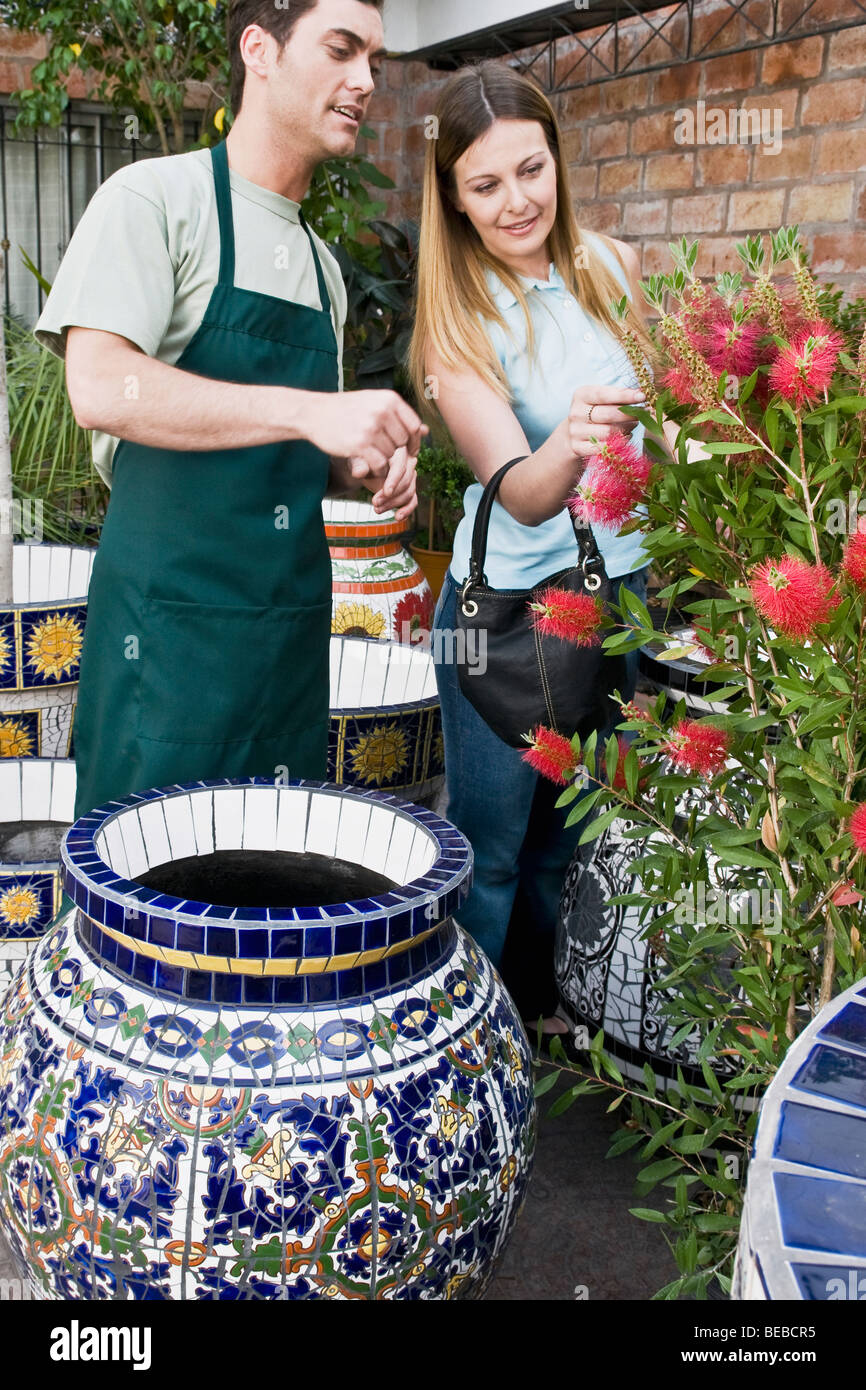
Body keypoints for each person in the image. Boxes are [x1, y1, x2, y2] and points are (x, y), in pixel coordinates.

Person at [36, 0, 423, 821]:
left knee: (265, 899)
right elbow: (102, 388)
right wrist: (308, 411)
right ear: (261, 49)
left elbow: (287, 445)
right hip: (166, 649)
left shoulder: (321, 268)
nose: (364, 82)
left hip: (282, 651)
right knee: (149, 904)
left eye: (376, 63)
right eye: (342, 50)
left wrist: (363, 464)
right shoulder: (153, 200)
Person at [408, 61, 659, 1033]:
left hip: (619, 597)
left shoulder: (607, 264)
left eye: (529, 168)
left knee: (577, 834)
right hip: (504, 622)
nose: (515, 200)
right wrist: (573, 433)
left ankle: (547, 1017)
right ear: (454, 200)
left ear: (555, 159)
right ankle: (469, 1037)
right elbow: (519, 494)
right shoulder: (456, 323)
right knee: (495, 845)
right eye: (484, 184)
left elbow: (660, 420)